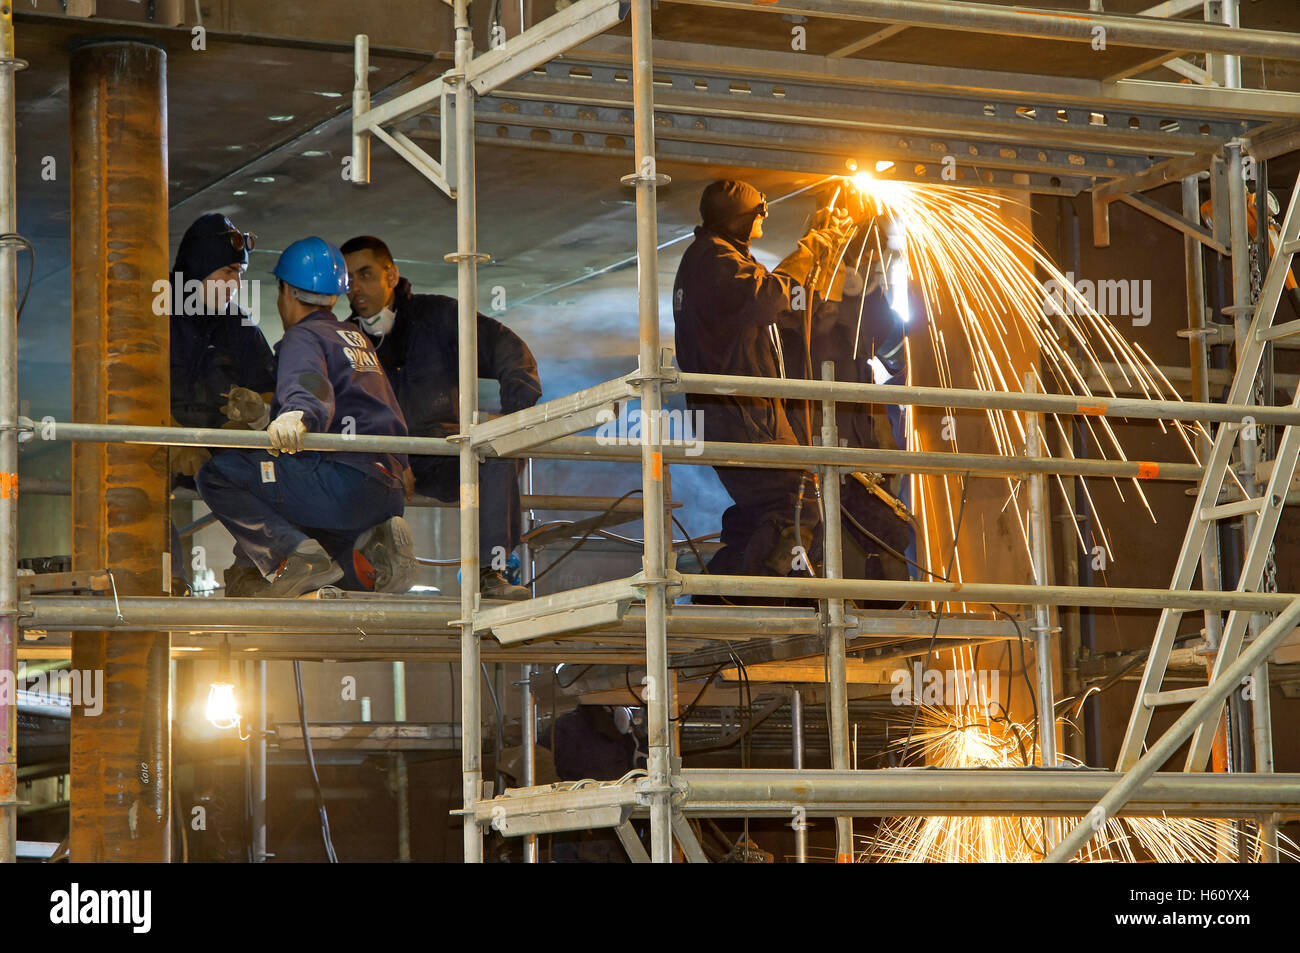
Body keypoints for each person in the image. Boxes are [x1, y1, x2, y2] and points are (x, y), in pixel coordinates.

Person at [196, 237, 416, 598]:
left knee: (220, 474)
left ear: (286, 290)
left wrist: (298, 414)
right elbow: (362, 405)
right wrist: (264, 417)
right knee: (326, 562)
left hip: (342, 485)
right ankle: (373, 554)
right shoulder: (354, 336)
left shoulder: (304, 336)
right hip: (384, 490)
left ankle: (291, 558)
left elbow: (309, 384)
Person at [672, 179, 851, 595]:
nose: (762, 221)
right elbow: (769, 295)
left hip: (736, 411)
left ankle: (720, 596)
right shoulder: (714, 259)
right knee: (797, 500)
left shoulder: (718, 257)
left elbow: (784, 309)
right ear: (744, 217)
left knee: (763, 508)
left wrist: (821, 254)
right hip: (740, 412)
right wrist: (809, 249)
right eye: (759, 214)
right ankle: (743, 600)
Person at [341, 235, 543, 601]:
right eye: (348, 279)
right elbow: (341, 417)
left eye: (365, 274)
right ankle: (347, 577)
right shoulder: (344, 340)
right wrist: (391, 457)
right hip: (379, 463)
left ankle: (489, 571)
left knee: (496, 450)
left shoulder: (437, 318)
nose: (355, 287)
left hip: (443, 452)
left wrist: (515, 413)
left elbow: (507, 347)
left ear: (391, 274)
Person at [168, 213, 277, 595]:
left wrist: (258, 412)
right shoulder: (152, 318)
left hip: (218, 451)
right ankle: (166, 579)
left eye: (240, 275)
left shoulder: (240, 327)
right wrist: (169, 436)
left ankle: (252, 570)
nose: (236, 284)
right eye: (228, 272)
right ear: (199, 269)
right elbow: (125, 389)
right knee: (133, 479)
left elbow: (271, 390)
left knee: (272, 466)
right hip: (162, 445)